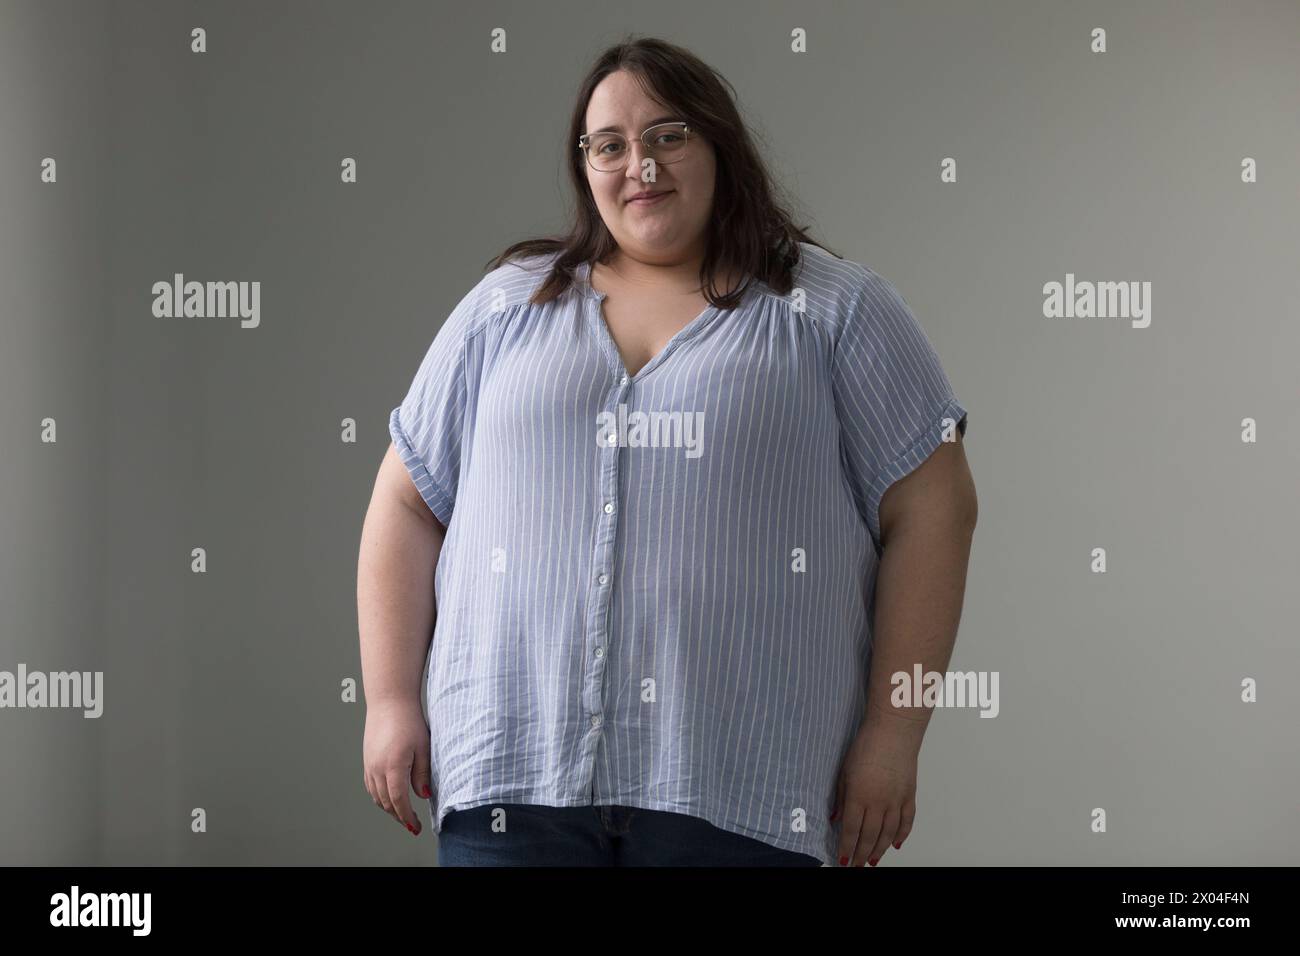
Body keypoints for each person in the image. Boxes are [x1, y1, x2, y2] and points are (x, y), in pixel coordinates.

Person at [358, 35, 976, 867]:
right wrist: (392, 700)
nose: (638, 164)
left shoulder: (835, 313)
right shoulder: (503, 310)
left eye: (668, 135)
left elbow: (938, 512)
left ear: (720, 144)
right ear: (585, 168)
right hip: (512, 777)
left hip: (741, 787)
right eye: (609, 145)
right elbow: (405, 501)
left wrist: (893, 734)